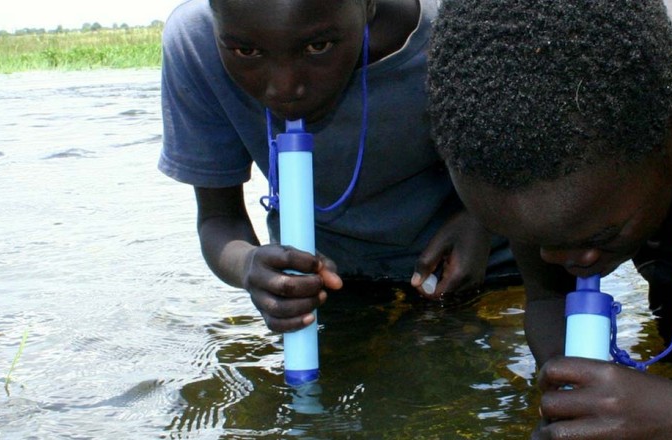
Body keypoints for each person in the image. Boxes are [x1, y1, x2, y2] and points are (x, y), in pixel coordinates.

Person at [428, 0, 672, 438]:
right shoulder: (526, 137)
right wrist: (577, 399)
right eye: (527, 238)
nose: (567, 261)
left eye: (599, 234)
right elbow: (549, 301)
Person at [158, 0, 519, 333]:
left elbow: (530, 171)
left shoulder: (458, 28)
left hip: (487, 273)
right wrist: (250, 266)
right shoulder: (196, 43)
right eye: (246, 51)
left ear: (368, 5)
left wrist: (483, 218)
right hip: (329, 295)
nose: (285, 88)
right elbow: (219, 219)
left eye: (318, 47)